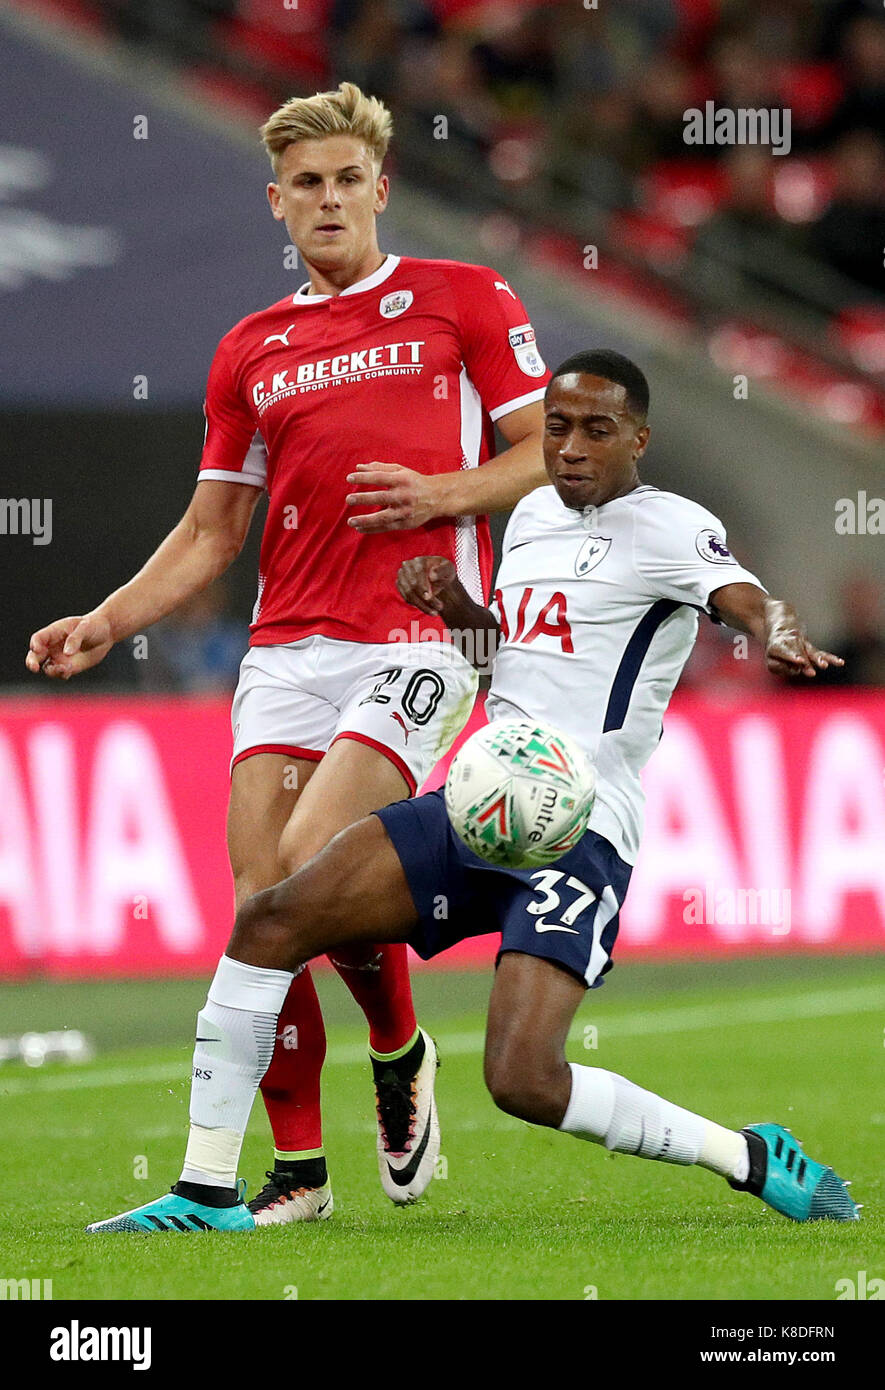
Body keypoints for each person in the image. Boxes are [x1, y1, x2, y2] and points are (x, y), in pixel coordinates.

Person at [85, 349, 858, 1234]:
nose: (568, 446)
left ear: (638, 438)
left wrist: (780, 631)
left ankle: (747, 1156)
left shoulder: (671, 525)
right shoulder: (527, 515)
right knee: (268, 919)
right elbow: (513, 659)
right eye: (557, 426)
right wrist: (457, 607)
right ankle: (206, 1191)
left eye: (595, 430)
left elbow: (744, 598)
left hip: (579, 827)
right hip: (480, 800)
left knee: (523, 1081)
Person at [26, 81, 550, 1221]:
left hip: (422, 630)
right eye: (305, 184)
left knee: (316, 861)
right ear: (275, 200)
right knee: (265, 897)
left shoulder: (461, 299)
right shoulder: (250, 349)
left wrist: (447, 491)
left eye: (346, 180)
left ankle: (400, 1044)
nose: (327, 200)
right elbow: (214, 528)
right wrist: (108, 619)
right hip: (283, 648)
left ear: (381, 188)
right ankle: (300, 1174)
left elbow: (552, 447)